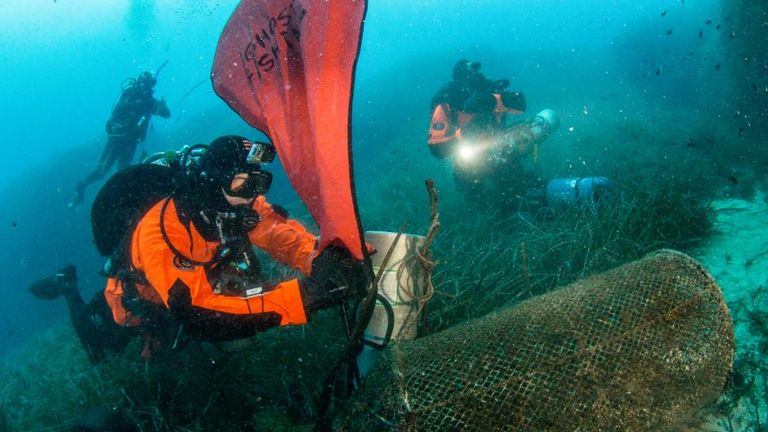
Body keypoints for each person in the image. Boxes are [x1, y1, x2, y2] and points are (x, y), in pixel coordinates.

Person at [33, 135, 367, 362]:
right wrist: (306, 296)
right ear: (214, 182)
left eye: (260, 183)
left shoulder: (236, 205)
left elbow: (280, 235)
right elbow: (199, 314)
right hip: (141, 300)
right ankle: (67, 285)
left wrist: (321, 261)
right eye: (247, 184)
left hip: (196, 280)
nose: (255, 194)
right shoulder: (160, 233)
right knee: (103, 346)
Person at [428, 59, 560, 208]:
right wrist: (464, 134)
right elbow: (437, 150)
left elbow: (519, 104)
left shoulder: (488, 94)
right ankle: (484, 206)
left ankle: (526, 202)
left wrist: (493, 99)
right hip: (469, 158)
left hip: (499, 149)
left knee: (518, 188)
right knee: (474, 195)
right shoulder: (446, 103)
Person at [69, 70, 171, 207]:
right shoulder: (130, 93)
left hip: (132, 141)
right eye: (145, 84)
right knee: (101, 171)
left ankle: (118, 204)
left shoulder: (151, 102)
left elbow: (167, 114)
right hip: (117, 138)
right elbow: (118, 108)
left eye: (150, 85)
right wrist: (139, 104)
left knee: (122, 174)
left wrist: (163, 108)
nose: (147, 88)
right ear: (140, 83)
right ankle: (81, 188)